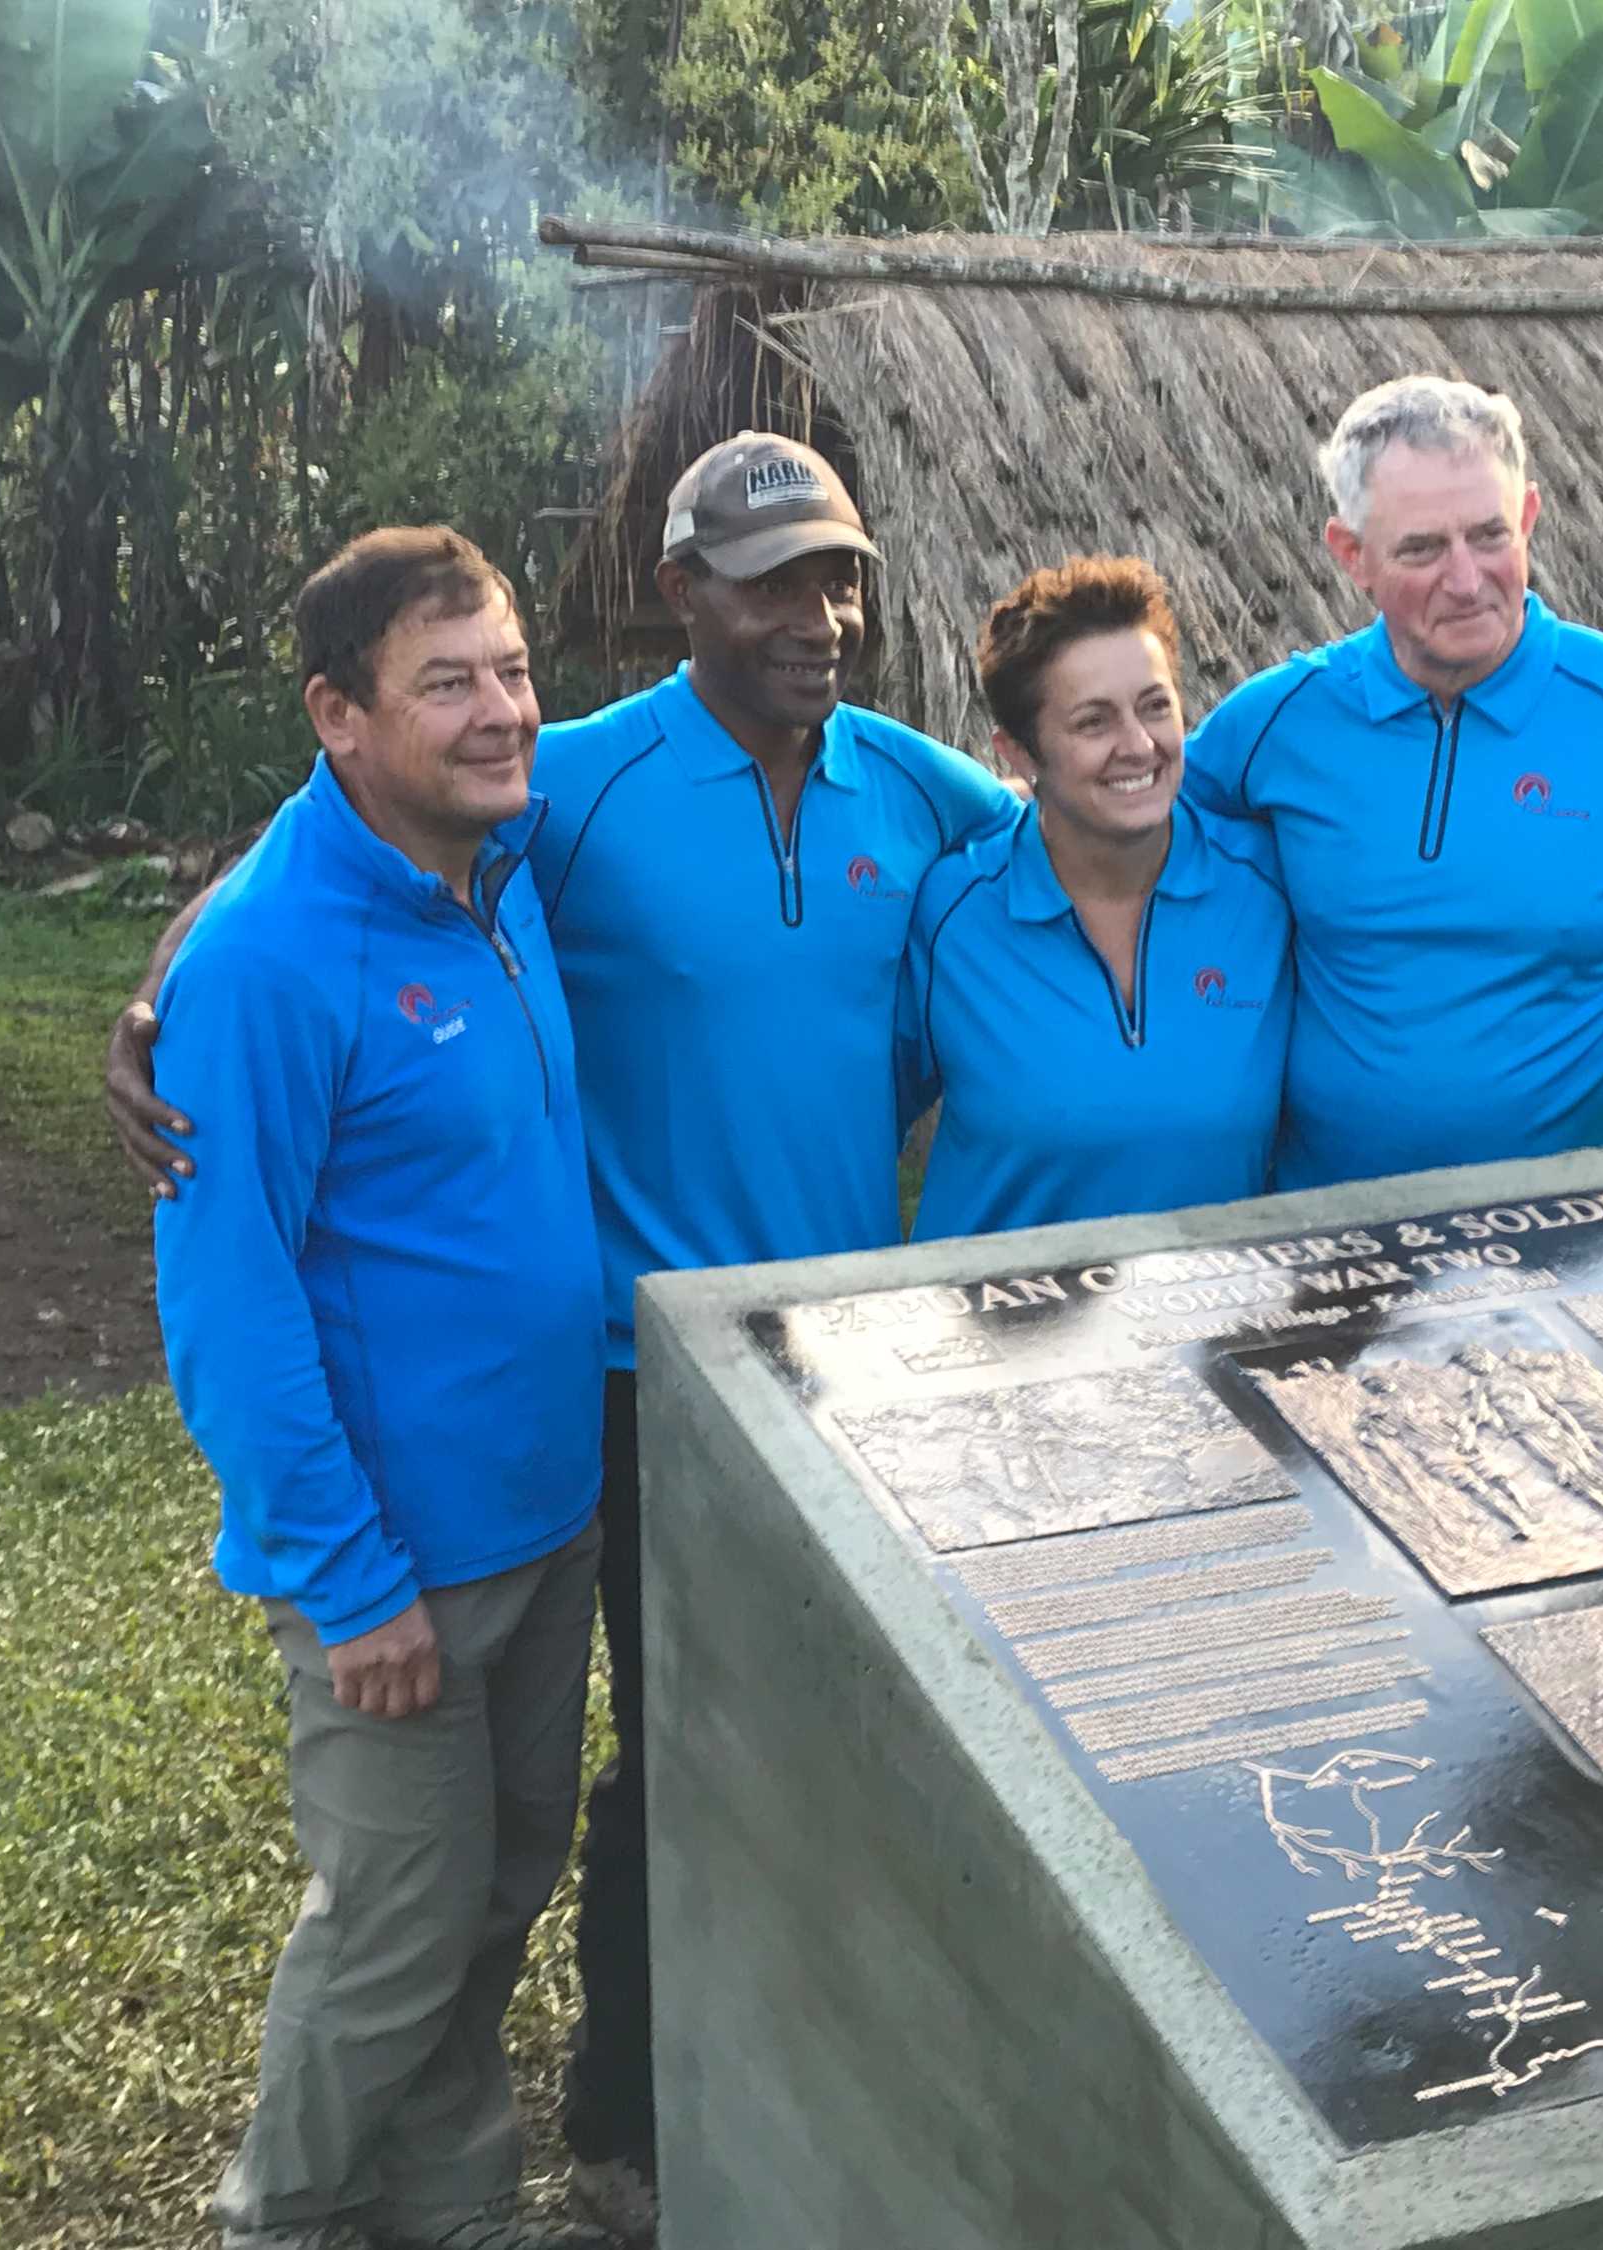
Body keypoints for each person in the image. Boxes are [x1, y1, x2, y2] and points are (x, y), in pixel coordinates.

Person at [109, 436, 1015, 2244]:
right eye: (769, 581)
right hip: (626, 1395)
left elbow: (1093, 819)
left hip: (821, 1386)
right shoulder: (574, 791)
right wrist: (158, 997)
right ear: (683, 596)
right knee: (578, 1819)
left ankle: (487, 2195)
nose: (814, 616)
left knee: (638, 1820)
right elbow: (310, 879)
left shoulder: (882, 794)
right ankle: (527, 2145)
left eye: (835, 577)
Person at [151, 528, 605, 2250]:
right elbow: (228, 1302)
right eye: (449, 685)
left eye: (510, 672)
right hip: (398, 1564)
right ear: (338, 717)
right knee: (400, 1920)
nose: (502, 715)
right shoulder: (273, 960)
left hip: (541, 1514)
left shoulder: (500, 854)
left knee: (496, 1888)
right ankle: (288, 2214)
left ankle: (457, 2198)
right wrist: (352, 1583)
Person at [1182, 375, 1603, 1201]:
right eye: (1422, 548)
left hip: (1563, 1234)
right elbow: (1121, 829)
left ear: (1528, 518)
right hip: (1325, 1234)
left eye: (1489, 536)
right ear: (1351, 555)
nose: (1466, 579)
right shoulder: (1274, 725)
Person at [899, 555, 1291, 1240]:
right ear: (1019, 754)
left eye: (1155, 707)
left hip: (1215, 1335)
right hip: (996, 1338)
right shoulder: (949, 915)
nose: (1137, 746)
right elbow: (850, 1127)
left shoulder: (1270, 886)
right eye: (1092, 723)